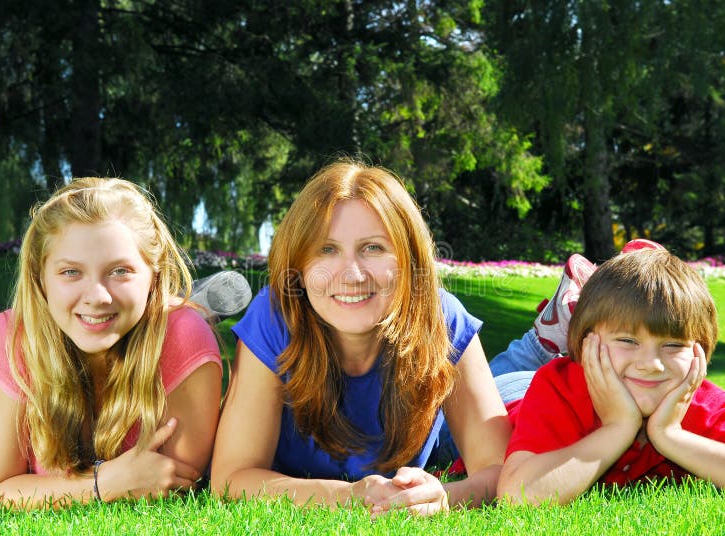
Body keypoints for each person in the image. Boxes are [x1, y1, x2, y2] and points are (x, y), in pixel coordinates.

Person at [210, 159, 511, 515]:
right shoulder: (276, 317)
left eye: (373, 248)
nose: (352, 275)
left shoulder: (442, 318)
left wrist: (444, 497)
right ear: (299, 268)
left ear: (409, 260)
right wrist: (347, 496)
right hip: (440, 434)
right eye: (326, 249)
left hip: (451, 421)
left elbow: (501, 473)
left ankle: (542, 342)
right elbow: (231, 478)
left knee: (520, 388)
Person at [0, 178, 224, 508]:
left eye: (120, 270)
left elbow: (174, 482)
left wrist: (43, 491)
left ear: (154, 274)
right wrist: (103, 483)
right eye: (70, 272)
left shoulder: (184, 339)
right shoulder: (8, 341)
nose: (97, 296)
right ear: (41, 277)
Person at [496, 246, 725, 505]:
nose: (651, 365)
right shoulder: (559, 386)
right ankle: (545, 336)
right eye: (628, 341)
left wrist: (670, 435)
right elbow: (518, 497)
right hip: (510, 394)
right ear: (586, 344)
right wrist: (618, 427)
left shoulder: (702, 402)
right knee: (472, 381)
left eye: (673, 344)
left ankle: (590, 304)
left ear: (698, 354)